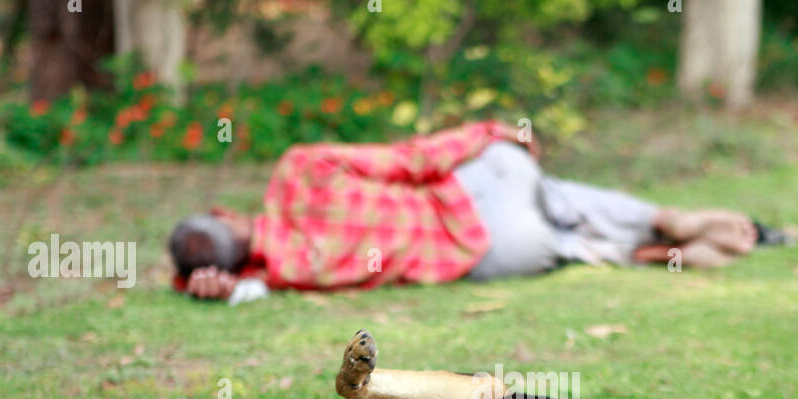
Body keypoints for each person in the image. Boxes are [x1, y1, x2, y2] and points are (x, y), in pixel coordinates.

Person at [169, 120, 758, 302]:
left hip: (491, 251)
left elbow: (250, 287)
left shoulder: (283, 273)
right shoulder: (299, 171)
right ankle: (659, 217)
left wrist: (208, 284)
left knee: (575, 244)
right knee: (559, 194)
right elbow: (414, 157)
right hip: (478, 190)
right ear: (226, 211)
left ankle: (651, 251)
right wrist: (491, 130)